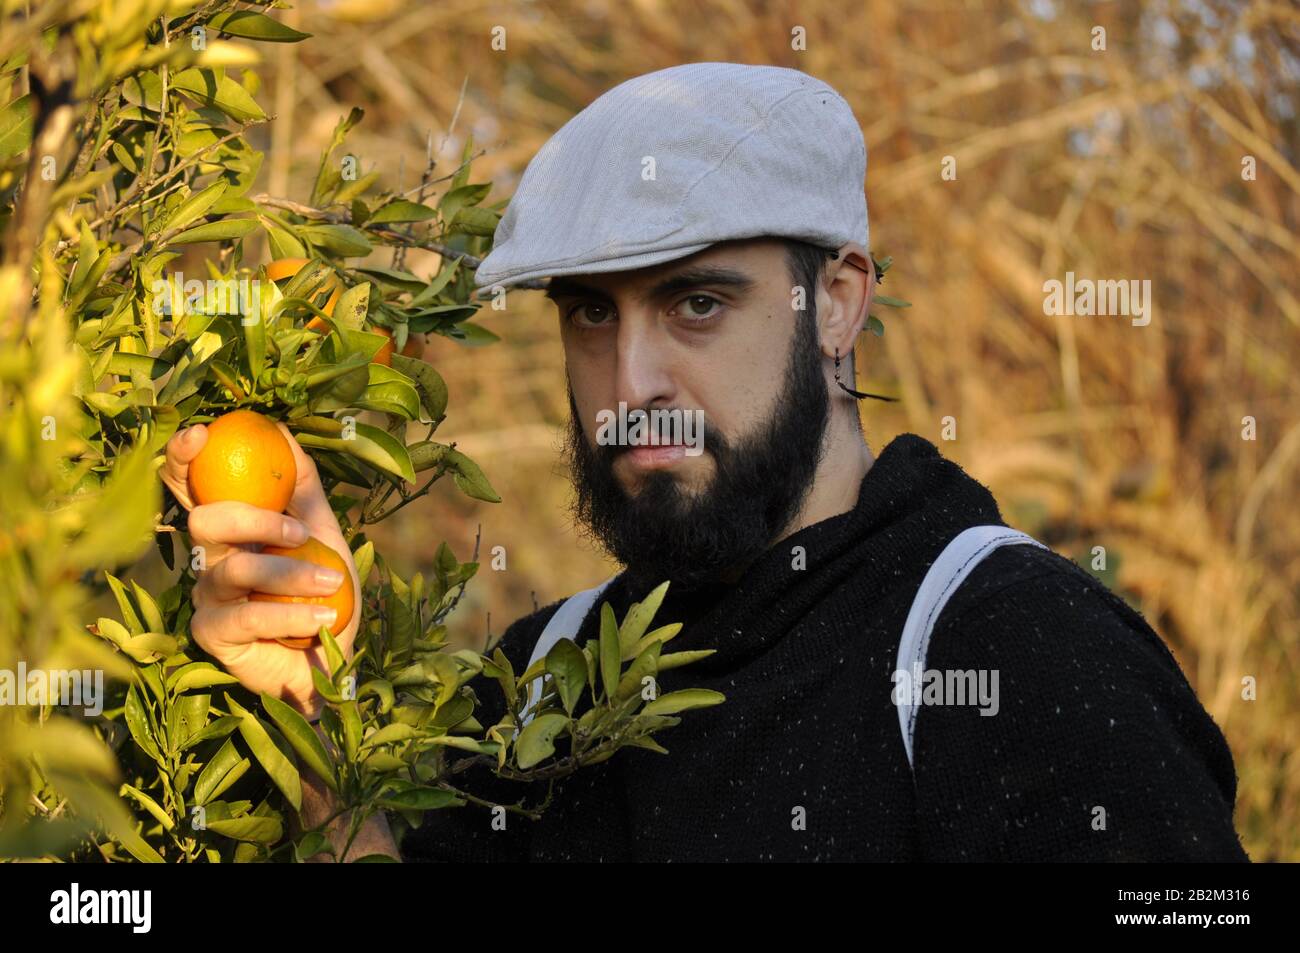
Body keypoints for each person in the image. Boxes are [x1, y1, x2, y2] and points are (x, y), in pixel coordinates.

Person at [162, 62, 1249, 862]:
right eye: (590, 313)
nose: (630, 384)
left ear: (836, 300)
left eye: (695, 302)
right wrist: (311, 689)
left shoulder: (1020, 654)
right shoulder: (546, 676)